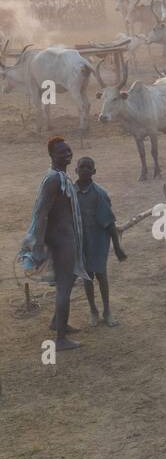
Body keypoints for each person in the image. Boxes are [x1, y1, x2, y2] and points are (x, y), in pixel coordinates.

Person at [20, 137, 87, 350]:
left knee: (70, 278)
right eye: (61, 152)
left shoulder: (60, 176)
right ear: (52, 156)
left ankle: (58, 323)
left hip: (66, 238)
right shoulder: (53, 180)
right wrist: (38, 245)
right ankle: (60, 339)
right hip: (61, 241)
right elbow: (41, 213)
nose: (67, 154)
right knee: (64, 287)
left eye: (68, 150)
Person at [74, 156, 126, 327]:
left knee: (101, 275)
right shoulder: (71, 193)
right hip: (81, 242)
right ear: (76, 170)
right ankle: (93, 310)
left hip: (98, 241)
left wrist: (117, 247)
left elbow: (109, 223)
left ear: (94, 172)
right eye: (82, 167)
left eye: (89, 167)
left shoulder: (99, 194)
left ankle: (107, 310)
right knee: (87, 277)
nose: (85, 170)